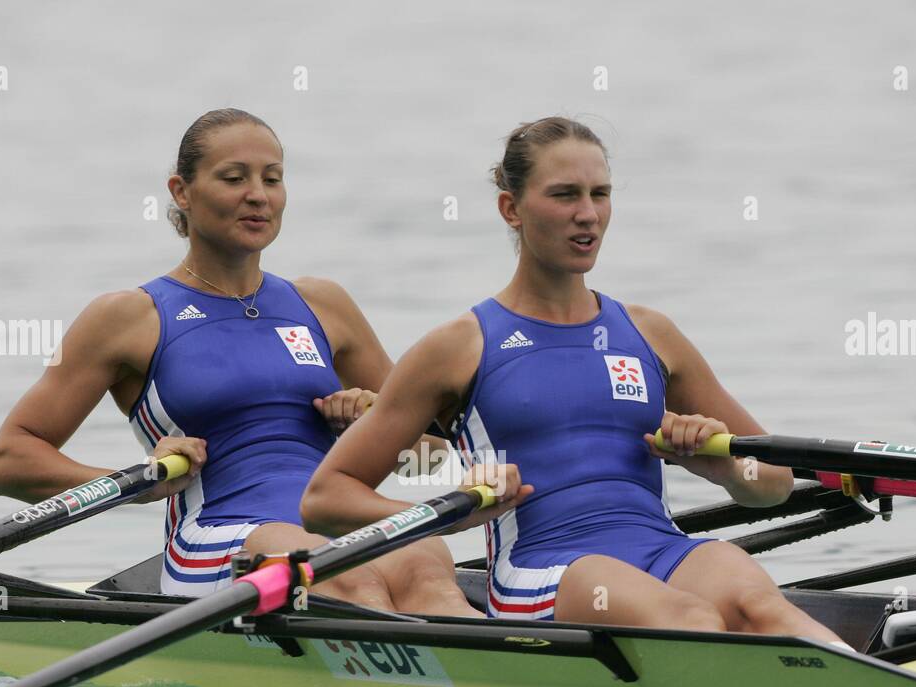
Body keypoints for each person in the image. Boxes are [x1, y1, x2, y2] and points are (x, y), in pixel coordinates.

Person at [301, 116, 846, 643]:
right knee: (687, 617)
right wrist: (454, 516)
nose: (588, 214)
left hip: (660, 549)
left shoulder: (652, 333)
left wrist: (722, 466)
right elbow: (326, 499)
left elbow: (771, 482)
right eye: (565, 195)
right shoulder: (458, 347)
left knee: (758, 601)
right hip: (544, 571)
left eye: (599, 194)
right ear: (511, 209)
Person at [0, 108, 476, 617]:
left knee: (426, 556)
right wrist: (139, 482)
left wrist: (373, 424)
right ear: (181, 192)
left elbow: (431, 455)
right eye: (234, 178)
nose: (258, 195)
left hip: (325, 528)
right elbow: (8, 462)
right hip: (216, 535)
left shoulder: (325, 305)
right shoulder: (129, 317)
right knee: (340, 572)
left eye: (273, 179)